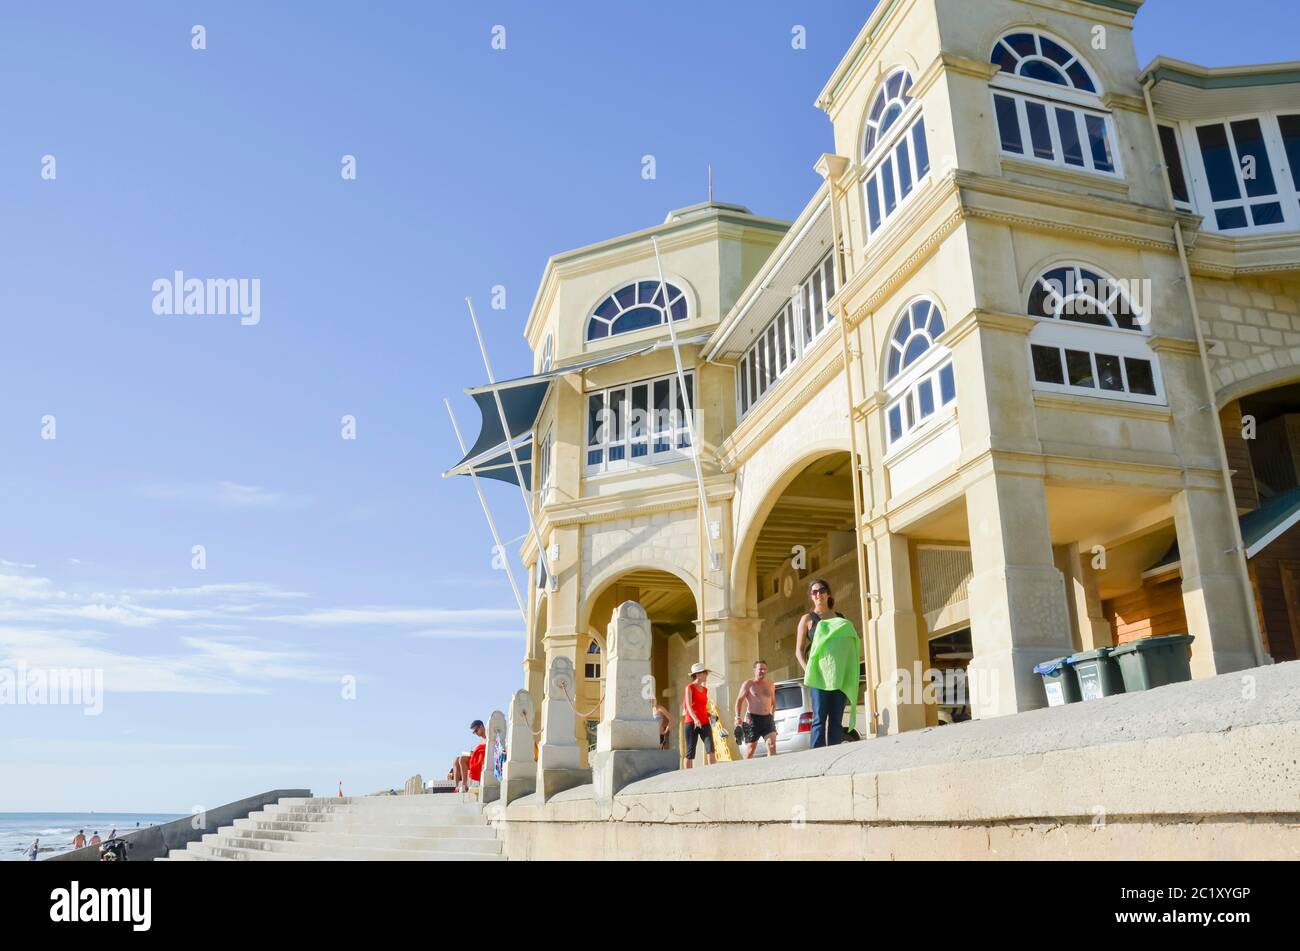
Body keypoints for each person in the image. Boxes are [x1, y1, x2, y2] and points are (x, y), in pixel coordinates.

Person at [795, 579, 860, 748]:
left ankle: (834, 754)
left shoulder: (840, 618)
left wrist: (849, 669)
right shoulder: (808, 619)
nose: (819, 594)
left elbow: (849, 646)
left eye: (822, 590)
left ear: (828, 593)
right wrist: (808, 670)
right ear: (811, 596)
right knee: (819, 718)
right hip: (818, 677)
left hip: (838, 676)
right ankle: (817, 758)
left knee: (836, 719)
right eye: (814, 592)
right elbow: (799, 651)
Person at [735, 659, 778, 758]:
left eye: (764, 669)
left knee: (772, 745)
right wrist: (737, 717)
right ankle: (745, 770)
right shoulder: (748, 684)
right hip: (753, 720)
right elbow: (739, 700)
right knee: (751, 748)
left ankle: (772, 770)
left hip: (767, 719)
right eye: (760, 669)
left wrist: (772, 718)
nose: (763, 671)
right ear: (754, 670)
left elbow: (773, 703)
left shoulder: (770, 684)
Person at [681, 662, 715, 768]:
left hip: (704, 722)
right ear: (698, 674)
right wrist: (695, 719)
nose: (706, 675)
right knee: (690, 752)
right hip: (691, 723)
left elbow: (701, 707)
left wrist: (710, 715)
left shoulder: (705, 690)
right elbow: (688, 706)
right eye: (705, 673)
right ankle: (687, 777)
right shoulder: (689, 687)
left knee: (710, 748)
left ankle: (713, 773)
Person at [453, 719, 487, 792]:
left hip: (483, 760)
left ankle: (464, 785)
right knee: (456, 760)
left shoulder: (490, 736)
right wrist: (473, 753)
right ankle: (456, 786)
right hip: (477, 758)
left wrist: (475, 753)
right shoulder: (481, 740)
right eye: (474, 732)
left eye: (476, 731)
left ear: (481, 726)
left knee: (462, 759)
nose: (476, 733)